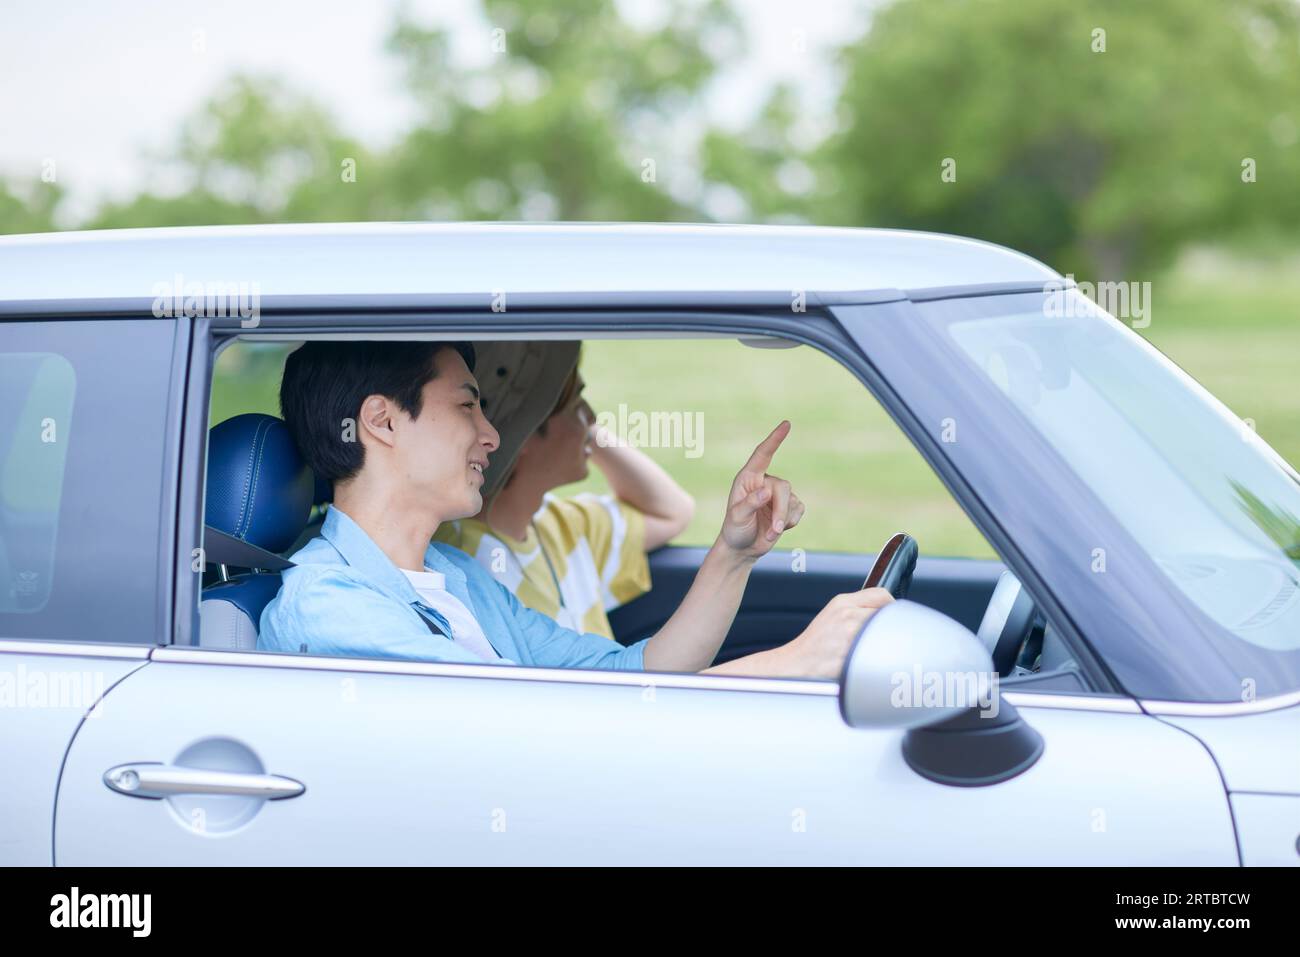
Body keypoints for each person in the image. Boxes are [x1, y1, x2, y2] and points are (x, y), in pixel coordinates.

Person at [258, 340, 892, 677]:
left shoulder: (458, 577)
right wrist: (794, 663)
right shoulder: (330, 604)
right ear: (382, 421)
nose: (493, 434)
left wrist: (734, 554)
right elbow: (541, 728)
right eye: (466, 406)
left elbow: (630, 673)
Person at [434, 342, 694, 639]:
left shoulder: (565, 526)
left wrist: (583, 429)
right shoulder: (460, 557)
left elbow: (673, 511)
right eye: (578, 405)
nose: (593, 418)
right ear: (527, 432)